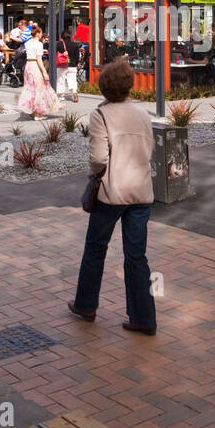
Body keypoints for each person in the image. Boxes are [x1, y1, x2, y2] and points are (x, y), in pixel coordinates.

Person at [68, 59, 158, 335]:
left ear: (104, 86)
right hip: (141, 192)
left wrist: (95, 174)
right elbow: (150, 149)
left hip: (111, 192)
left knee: (96, 248)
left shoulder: (101, 114)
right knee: (137, 257)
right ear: (129, 84)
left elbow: (97, 158)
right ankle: (144, 319)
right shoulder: (143, 114)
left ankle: (86, 304)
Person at [17, 27, 61, 121]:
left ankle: (33, 112)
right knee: (39, 89)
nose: (41, 35)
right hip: (35, 66)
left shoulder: (27, 43)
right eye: (41, 33)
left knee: (30, 88)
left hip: (28, 65)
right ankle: (37, 113)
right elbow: (39, 59)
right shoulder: (39, 44)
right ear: (37, 34)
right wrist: (45, 72)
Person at [56, 32, 80, 102]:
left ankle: (62, 96)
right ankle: (74, 93)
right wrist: (76, 63)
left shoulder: (59, 44)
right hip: (72, 65)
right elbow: (77, 56)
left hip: (62, 65)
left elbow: (56, 53)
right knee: (72, 80)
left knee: (61, 80)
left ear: (61, 37)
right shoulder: (75, 45)